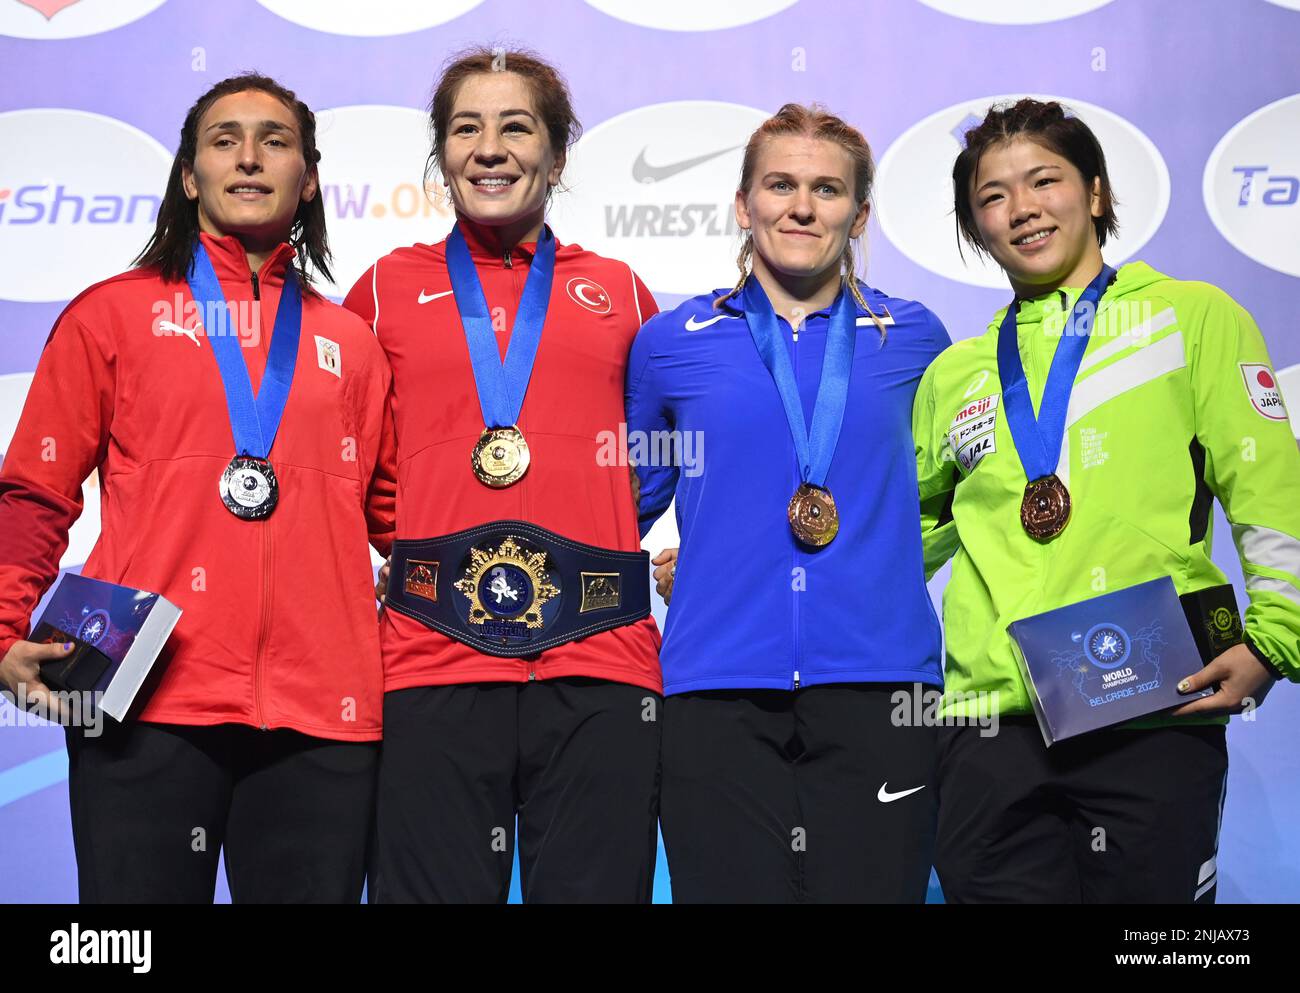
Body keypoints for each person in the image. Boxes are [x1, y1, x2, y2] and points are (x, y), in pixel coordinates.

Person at [0, 73, 397, 903]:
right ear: (189, 175)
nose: (249, 159)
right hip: (137, 693)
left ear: (310, 177)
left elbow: (398, 513)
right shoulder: (111, 314)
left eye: (275, 141)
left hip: (324, 708)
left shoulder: (352, 343)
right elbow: (34, 492)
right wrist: (3, 624)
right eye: (224, 140)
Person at [913, 98, 1300, 903]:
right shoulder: (958, 374)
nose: (1020, 208)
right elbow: (900, 538)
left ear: (1094, 193)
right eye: (992, 196)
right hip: (989, 729)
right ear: (976, 226)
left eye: (1043, 180)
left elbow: (1268, 491)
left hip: (1151, 708)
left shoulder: (1191, 318)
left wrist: (1276, 642)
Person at [344, 46, 662, 904]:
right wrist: (416, 548)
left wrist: (607, 528)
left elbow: (660, 451)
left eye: (516, 127)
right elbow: (353, 457)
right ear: (441, 155)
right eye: (466, 128)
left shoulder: (623, 292)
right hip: (431, 661)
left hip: (600, 663)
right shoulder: (380, 292)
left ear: (556, 156)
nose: (490, 148)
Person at [630, 104, 951, 903]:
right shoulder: (673, 342)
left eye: (826, 188)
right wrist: (699, 564)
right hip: (715, 690)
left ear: (860, 212)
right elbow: (619, 502)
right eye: (780, 184)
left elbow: (952, 506)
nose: (801, 206)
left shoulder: (912, 337)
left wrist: (873, 566)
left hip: (884, 688)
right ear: (744, 204)